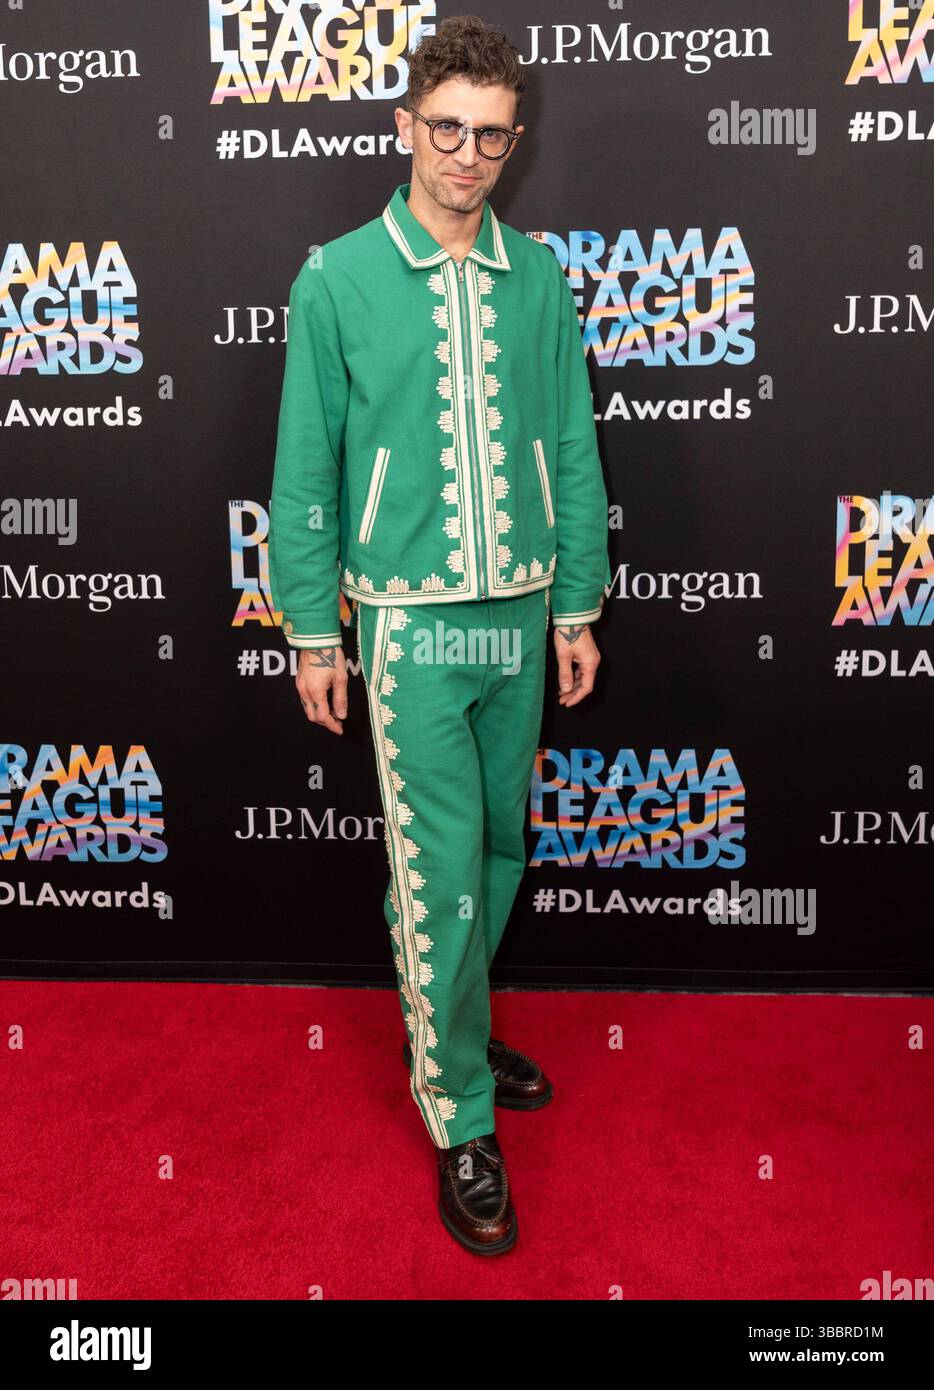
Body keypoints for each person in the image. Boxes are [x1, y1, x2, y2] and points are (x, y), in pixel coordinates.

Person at [268, 15, 611, 1255]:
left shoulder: (541, 279)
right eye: (447, 128)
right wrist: (315, 631)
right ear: (406, 126)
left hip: (519, 616)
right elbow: (306, 466)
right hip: (410, 629)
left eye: (491, 136)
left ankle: (449, 1029)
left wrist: (574, 602)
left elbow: (570, 444)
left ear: (513, 145)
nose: (467, 155)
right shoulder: (337, 276)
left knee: (497, 856)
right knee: (439, 878)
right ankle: (459, 1108)